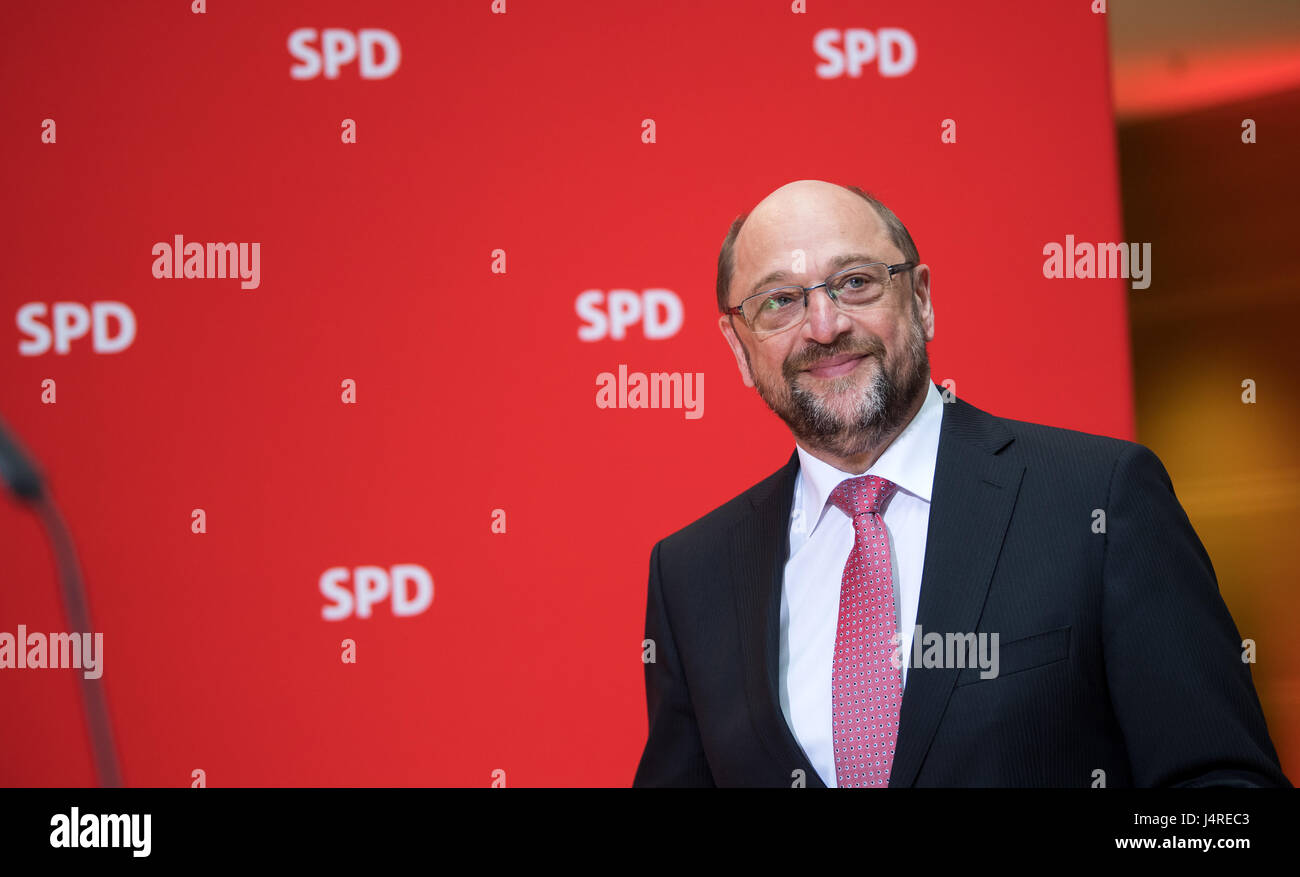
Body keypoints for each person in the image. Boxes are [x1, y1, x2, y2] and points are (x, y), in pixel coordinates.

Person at [631, 180, 1290, 788]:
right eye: (779, 302)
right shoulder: (692, 575)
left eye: (855, 282)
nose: (825, 327)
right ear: (739, 347)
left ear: (920, 298)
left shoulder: (1101, 499)